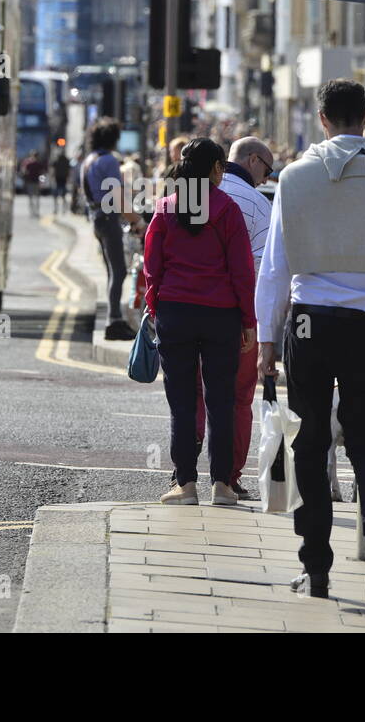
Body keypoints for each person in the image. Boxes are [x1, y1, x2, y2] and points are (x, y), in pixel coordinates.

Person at [255, 79, 365, 608]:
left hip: (310, 322)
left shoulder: (297, 177)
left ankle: (317, 569)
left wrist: (267, 337)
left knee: (309, 441)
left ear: (322, 118)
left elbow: (276, 267)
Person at [144, 138, 257, 507]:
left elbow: (152, 266)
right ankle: (222, 486)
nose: (223, 172)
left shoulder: (166, 207)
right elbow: (241, 270)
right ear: (213, 169)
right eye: (221, 166)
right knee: (221, 399)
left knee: (181, 402)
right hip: (220, 316)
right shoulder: (227, 208)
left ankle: (186, 485)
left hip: (175, 312)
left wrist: (153, 305)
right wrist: (248, 320)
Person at [185, 136, 274, 499]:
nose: (266, 179)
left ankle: (184, 477)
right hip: (236, 317)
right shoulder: (257, 203)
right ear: (252, 161)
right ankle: (228, 479)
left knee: (191, 395)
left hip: (185, 311)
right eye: (266, 170)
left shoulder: (183, 198)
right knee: (236, 397)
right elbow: (263, 271)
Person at [81, 118, 140, 340]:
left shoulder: (90, 159)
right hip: (108, 219)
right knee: (119, 271)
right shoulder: (108, 161)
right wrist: (136, 220)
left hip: (97, 219)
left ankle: (113, 319)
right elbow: (117, 196)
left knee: (111, 271)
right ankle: (114, 322)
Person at [20, 150, 46, 217]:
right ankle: (36, 211)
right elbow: (42, 174)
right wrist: (42, 182)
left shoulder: (29, 164)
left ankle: (32, 211)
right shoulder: (39, 164)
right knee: (36, 198)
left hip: (31, 182)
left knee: (31, 198)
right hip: (35, 182)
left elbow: (24, 173)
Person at [50, 148, 71, 215]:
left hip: (58, 179)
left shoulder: (56, 160)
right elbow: (69, 170)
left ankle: (56, 209)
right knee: (63, 196)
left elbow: (52, 170)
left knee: (56, 196)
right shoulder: (66, 160)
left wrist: (52, 177)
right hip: (63, 179)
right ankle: (63, 210)